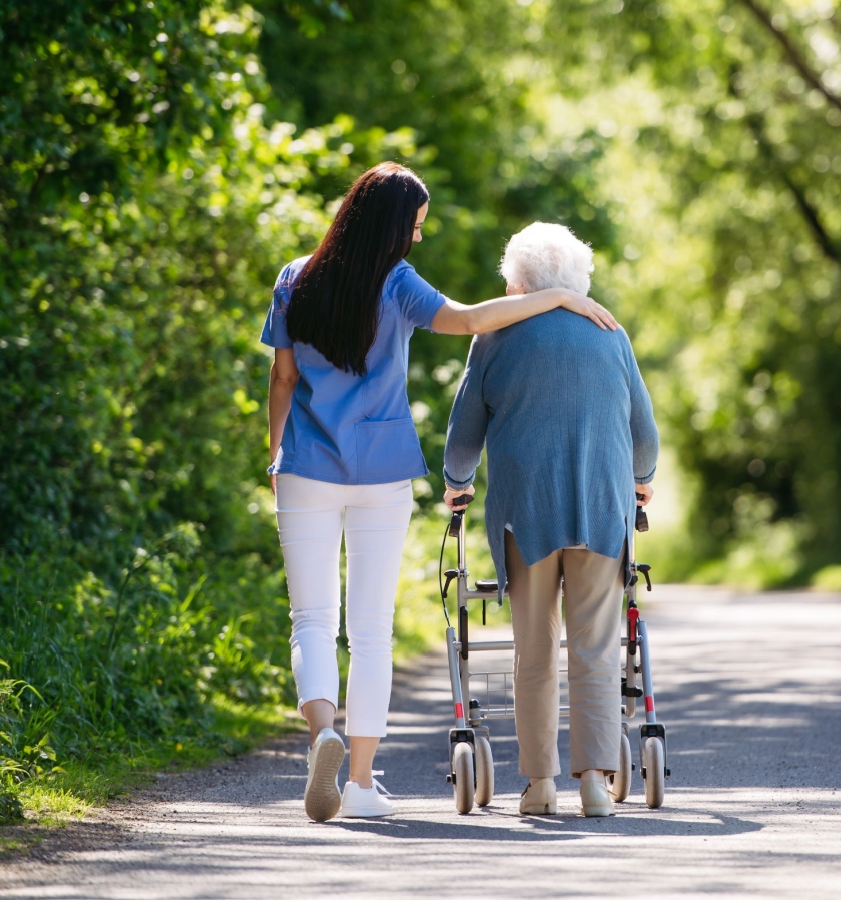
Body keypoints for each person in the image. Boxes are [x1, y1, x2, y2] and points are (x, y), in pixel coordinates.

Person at [262, 165, 618, 822]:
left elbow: (282, 379)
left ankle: (323, 734)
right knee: (371, 629)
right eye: (416, 226)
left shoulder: (295, 278)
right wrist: (558, 298)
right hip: (382, 471)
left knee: (311, 619)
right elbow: (471, 319)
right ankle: (359, 784)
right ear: (391, 226)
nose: (418, 238)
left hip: (306, 466)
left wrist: (276, 452)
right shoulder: (396, 283)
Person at [441, 222, 658, 817]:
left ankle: (540, 785)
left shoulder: (494, 337)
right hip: (601, 508)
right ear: (576, 279)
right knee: (596, 647)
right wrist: (642, 478)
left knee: (534, 649)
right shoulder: (610, 333)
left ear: (519, 283)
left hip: (526, 514)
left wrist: (457, 484)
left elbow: (464, 434)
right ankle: (595, 783)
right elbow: (644, 432)